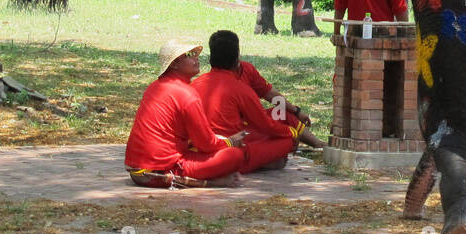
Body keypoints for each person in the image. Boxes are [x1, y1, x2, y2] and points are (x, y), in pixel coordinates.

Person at [124, 39, 248, 188]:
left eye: (195, 54)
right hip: (159, 172)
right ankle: (208, 181)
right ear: (175, 64)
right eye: (189, 54)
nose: (196, 58)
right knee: (234, 155)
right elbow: (206, 143)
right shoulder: (186, 94)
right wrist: (229, 142)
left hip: (137, 171)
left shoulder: (155, 86)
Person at [193, 31, 300, 172]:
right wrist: (292, 133)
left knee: (276, 120)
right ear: (237, 57)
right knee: (287, 140)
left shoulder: (194, 84)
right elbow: (265, 125)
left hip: (200, 147)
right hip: (232, 150)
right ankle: (257, 161)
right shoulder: (241, 89)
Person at [228, 48, 325, 150]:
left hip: (253, 124)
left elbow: (269, 94)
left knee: (283, 112)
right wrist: (288, 133)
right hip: (238, 133)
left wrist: (296, 111)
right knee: (280, 151)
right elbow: (263, 121)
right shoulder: (222, 83)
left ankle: (317, 144)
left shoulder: (246, 69)